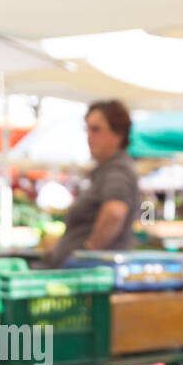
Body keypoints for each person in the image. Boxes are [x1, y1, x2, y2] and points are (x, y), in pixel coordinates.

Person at [46, 99, 140, 267]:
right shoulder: (107, 169)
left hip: (95, 276)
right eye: (87, 129)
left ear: (118, 134)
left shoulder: (117, 170)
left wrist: (87, 252)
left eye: (96, 129)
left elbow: (115, 212)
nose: (89, 136)